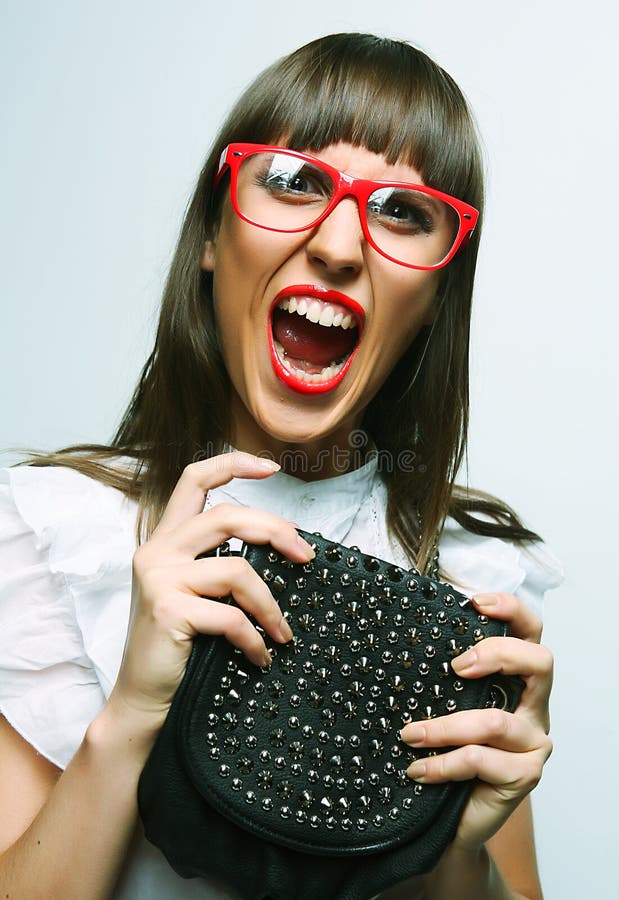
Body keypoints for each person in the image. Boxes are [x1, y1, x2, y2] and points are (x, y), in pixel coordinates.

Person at [0, 32, 562, 900]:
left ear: (436, 297)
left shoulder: (472, 580)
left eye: (401, 212)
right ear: (212, 237)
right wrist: (131, 718)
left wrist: (455, 845)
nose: (339, 245)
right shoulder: (48, 537)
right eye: (293, 181)